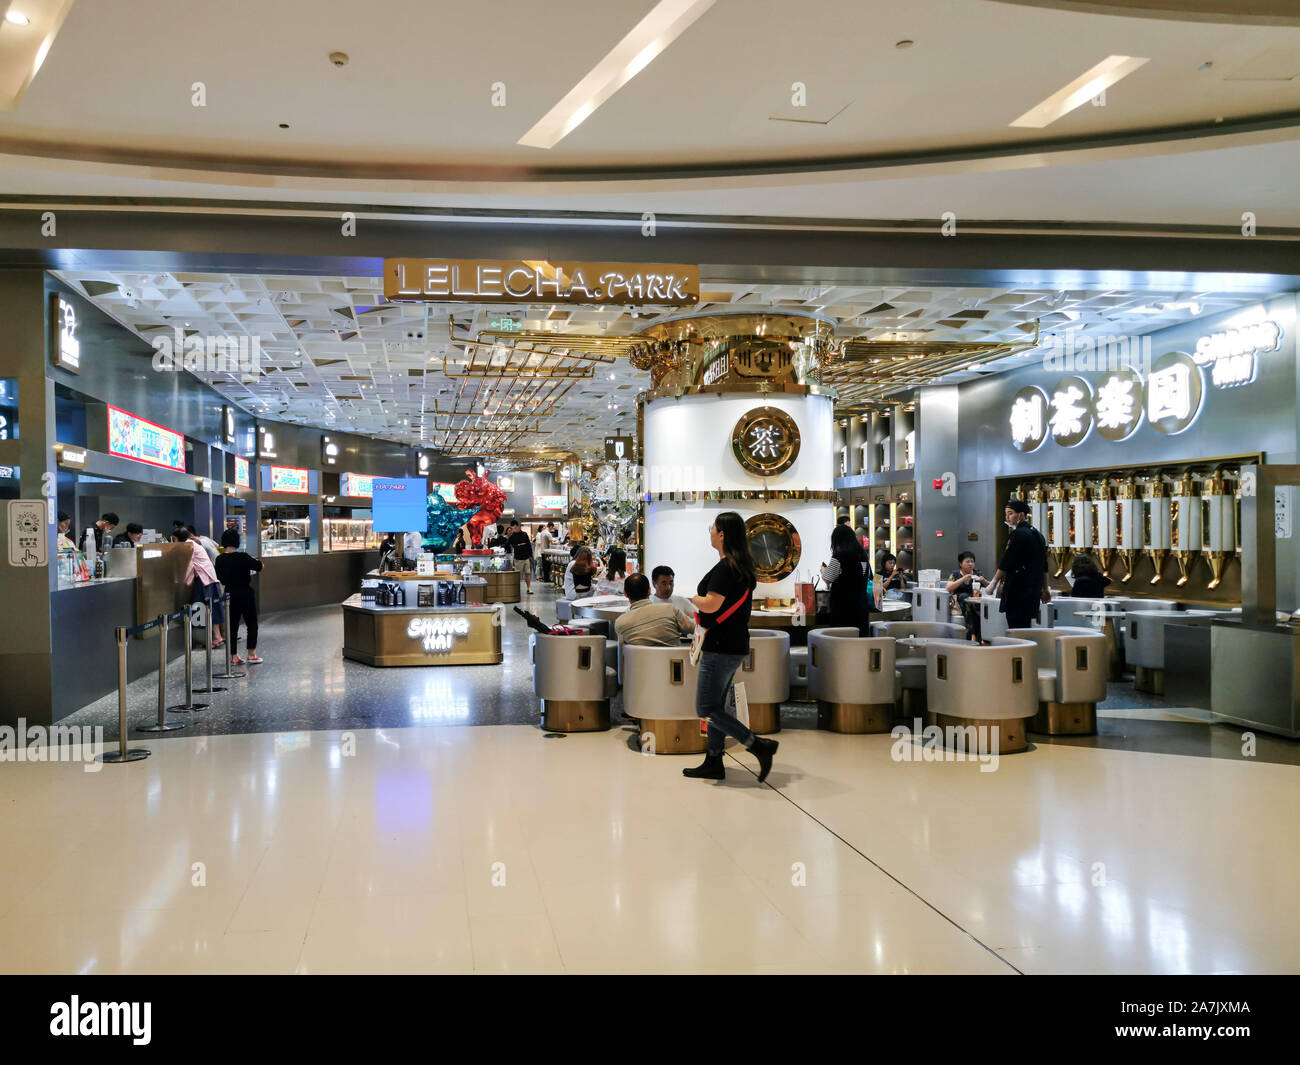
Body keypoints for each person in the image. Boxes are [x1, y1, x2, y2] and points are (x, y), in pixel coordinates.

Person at [684, 511, 779, 783]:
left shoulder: (726, 568)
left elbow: (712, 604)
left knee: (706, 708)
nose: (710, 532)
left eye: (712, 529)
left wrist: (694, 598)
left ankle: (758, 745)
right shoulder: (740, 566)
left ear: (722, 534)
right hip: (733, 643)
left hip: (721, 646)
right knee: (717, 707)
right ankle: (714, 760)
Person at [988, 500, 1050, 629]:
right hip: (1033, 591)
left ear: (1021, 515)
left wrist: (993, 583)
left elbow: (1007, 561)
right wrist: (1045, 589)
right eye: (1006, 514)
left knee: (1015, 627)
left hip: (1017, 590)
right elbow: (1044, 565)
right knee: (1025, 627)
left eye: (1010, 514)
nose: (1007, 518)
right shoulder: (1039, 535)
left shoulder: (1017, 534)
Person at [215, 527, 264, 664]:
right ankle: (251, 654)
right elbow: (259, 566)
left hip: (229, 595)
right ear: (237, 541)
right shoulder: (243, 556)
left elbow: (221, 579)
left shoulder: (219, 560)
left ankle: (234, 656)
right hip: (245, 593)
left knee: (232, 626)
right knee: (251, 623)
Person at [820, 523, 877, 634]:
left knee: (842, 640)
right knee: (859, 638)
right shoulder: (863, 556)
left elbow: (827, 578)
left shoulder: (839, 556)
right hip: (860, 605)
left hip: (842, 607)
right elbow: (863, 575)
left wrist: (823, 571)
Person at [614, 573, 694, 647]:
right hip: (673, 660)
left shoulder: (620, 623)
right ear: (649, 591)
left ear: (625, 593)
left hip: (640, 662)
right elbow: (694, 628)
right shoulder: (670, 610)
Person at [176, 528, 224, 647]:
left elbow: (190, 565)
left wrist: (185, 581)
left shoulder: (188, 545)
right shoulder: (195, 543)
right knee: (212, 608)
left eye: (174, 539)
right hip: (210, 579)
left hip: (204, 581)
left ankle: (206, 639)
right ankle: (217, 637)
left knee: (200, 609)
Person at [946, 550, 985, 640]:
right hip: (960, 602)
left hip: (975, 602)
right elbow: (948, 588)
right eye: (967, 561)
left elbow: (989, 587)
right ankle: (974, 636)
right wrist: (963, 579)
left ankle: (974, 636)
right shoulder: (955, 574)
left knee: (975, 607)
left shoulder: (977, 573)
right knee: (966, 600)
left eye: (972, 561)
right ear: (960, 563)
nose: (970, 564)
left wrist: (983, 581)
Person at [507, 519, 534, 595]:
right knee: (518, 576)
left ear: (518, 527)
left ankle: (529, 588)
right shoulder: (512, 537)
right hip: (518, 559)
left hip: (526, 557)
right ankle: (517, 589)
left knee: (528, 573)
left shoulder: (524, 534)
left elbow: (529, 546)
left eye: (515, 528)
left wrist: (530, 555)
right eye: (512, 528)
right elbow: (507, 545)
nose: (514, 529)